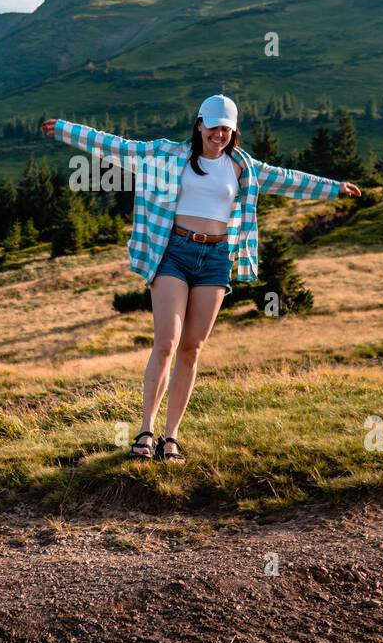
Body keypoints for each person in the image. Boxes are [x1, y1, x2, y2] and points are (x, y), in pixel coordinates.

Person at [41, 95, 361, 463]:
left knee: (192, 348)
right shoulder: (166, 155)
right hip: (173, 253)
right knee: (167, 342)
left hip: (216, 259)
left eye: (226, 128)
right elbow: (116, 146)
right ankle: (145, 431)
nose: (219, 134)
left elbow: (289, 180)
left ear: (233, 131)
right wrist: (66, 130)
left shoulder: (244, 167)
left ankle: (170, 437)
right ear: (199, 125)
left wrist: (334, 187)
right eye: (213, 127)